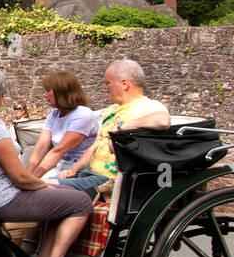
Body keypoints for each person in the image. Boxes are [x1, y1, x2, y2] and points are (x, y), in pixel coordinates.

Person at [0, 66, 93, 257]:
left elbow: (44, 152)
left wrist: (36, 181)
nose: (44, 94)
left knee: (58, 195)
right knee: (80, 202)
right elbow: (20, 177)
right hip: (3, 197)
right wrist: (38, 183)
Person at [57, 59, 170, 198]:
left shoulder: (148, 106)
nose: (104, 87)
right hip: (91, 174)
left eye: (107, 82)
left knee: (49, 189)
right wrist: (73, 171)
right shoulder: (111, 110)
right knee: (43, 185)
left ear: (124, 84)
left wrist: (124, 126)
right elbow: (95, 145)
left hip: (109, 180)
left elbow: (163, 120)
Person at [26, 70, 99, 181]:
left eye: (48, 91)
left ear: (61, 92)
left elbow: (59, 151)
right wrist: (28, 175)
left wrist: (31, 180)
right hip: (61, 168)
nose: (44, 95)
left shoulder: (82, 115)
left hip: (81, 171)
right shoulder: (53, 115)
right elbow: (41, 147)